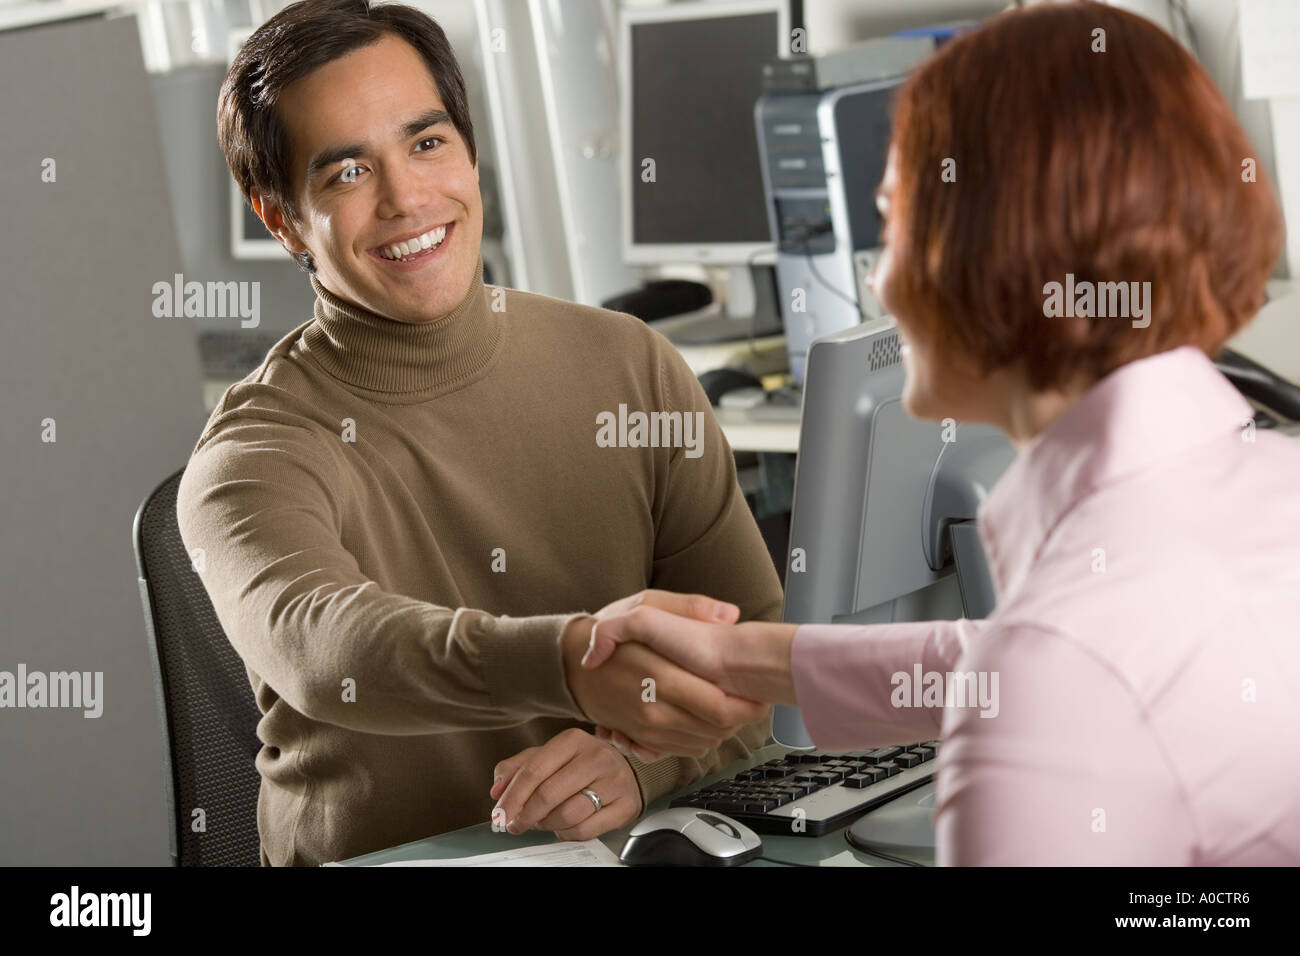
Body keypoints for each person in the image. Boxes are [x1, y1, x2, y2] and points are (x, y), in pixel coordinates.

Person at [581, 1, 1300, 864]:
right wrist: (740, 660)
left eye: (889, 225)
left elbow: (1045, 680)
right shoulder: (1265, 488)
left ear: (983, 258)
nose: (880, 280)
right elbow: (1031, 666)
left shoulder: (1052, 683)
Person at [179, 0, 780, 866]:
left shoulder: (629, 365)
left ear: (467, 149)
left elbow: (748, 648)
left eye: (426, 144)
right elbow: (321, 643)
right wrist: (569, 659)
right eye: (347, 172)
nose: (406, 198)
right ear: (279, 216)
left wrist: (638, 766)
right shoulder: (254, 451)